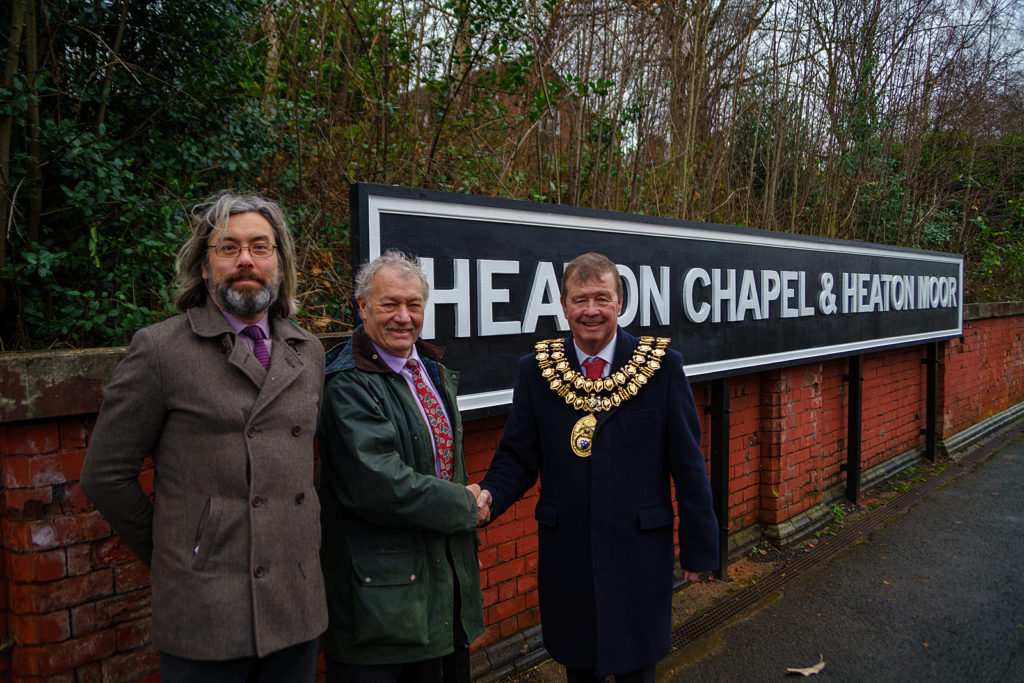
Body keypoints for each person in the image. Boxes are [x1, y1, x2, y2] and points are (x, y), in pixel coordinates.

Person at [80, 192, 327, 681]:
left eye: (260, 247)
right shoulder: (160, 350)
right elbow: (105, 475)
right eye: (228, 248)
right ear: (204, 262)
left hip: (294, 608)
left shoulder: (309, 351)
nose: (246, 261)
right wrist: (179, 554)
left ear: (280, 260)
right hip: (205, 615)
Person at [474, 252, 720, 683]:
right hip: (569, 556)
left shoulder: (661, 368)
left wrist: (699, 547)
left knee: (638, 670)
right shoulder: (536, 372)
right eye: (580, 299)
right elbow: (517, 456)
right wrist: (490, 495)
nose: (591, 310)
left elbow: (688, 464)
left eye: (602, 298)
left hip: (639, 556)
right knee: (578, 667)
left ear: (620, 303)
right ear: (564, 306)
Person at [315, 250, 484, 683]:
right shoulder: (347, 383)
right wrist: (465, 505)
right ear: (363, 306)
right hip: (378, 605)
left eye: (414, 304)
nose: (403, 317)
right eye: (390, 304)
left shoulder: (429, 370)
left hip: (436, 594)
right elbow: (376, 483)